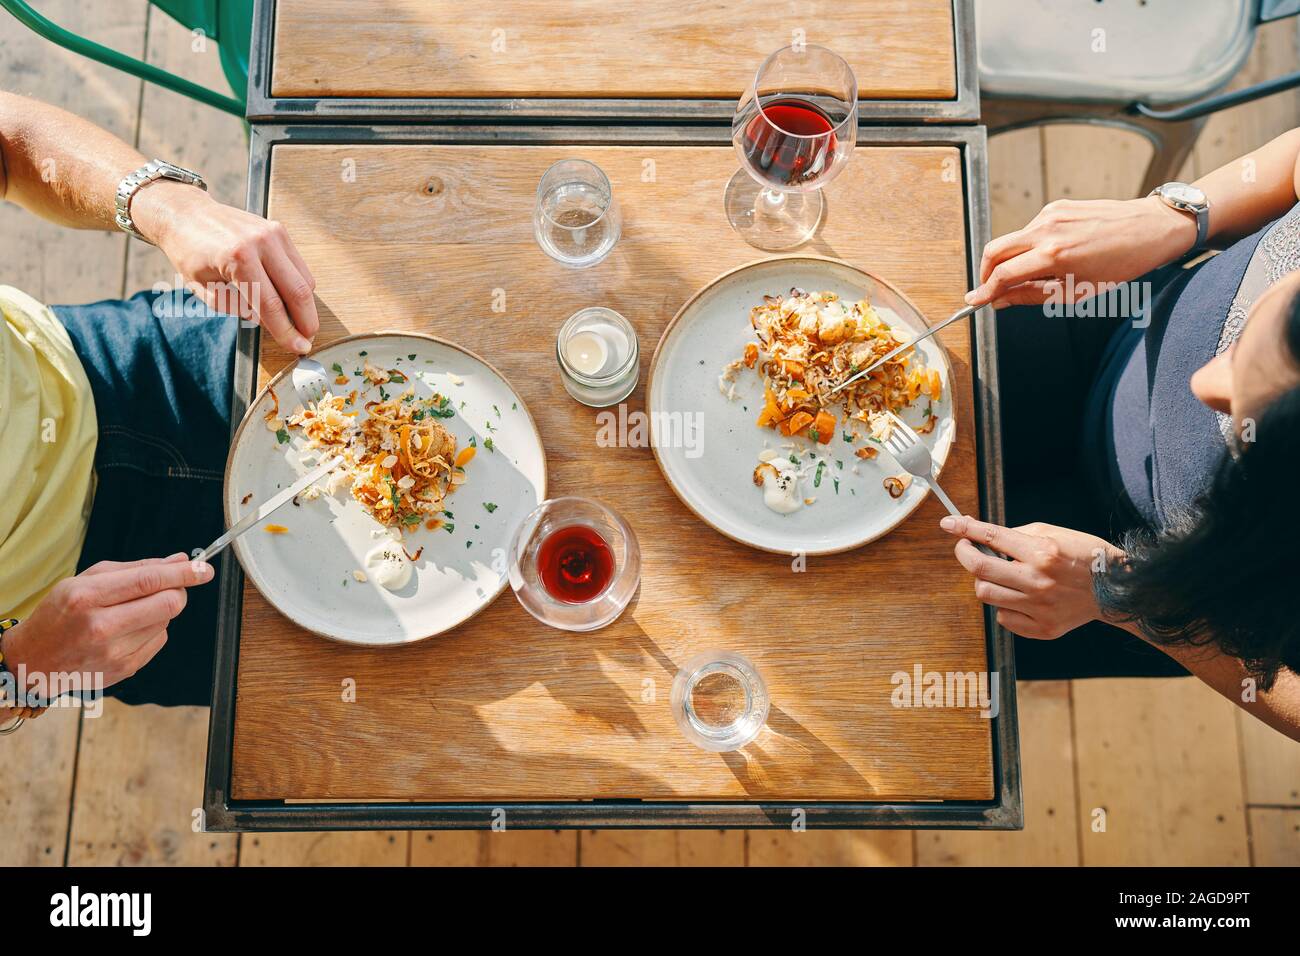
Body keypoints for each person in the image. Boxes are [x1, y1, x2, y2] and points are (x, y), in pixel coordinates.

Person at [946, 129, 1300, 741]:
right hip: (1118, 341)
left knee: (912, 617)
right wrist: (1171, 219)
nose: (1202, 382)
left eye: (1254, 427)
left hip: (1156, 585)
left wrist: (1120, 596)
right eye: (1244, 339)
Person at [0, 92, 319, 722]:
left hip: (104, 362)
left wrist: (168, 208)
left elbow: (8, 139)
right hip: (87, 595)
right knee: (361, 673)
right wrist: (18, 672)